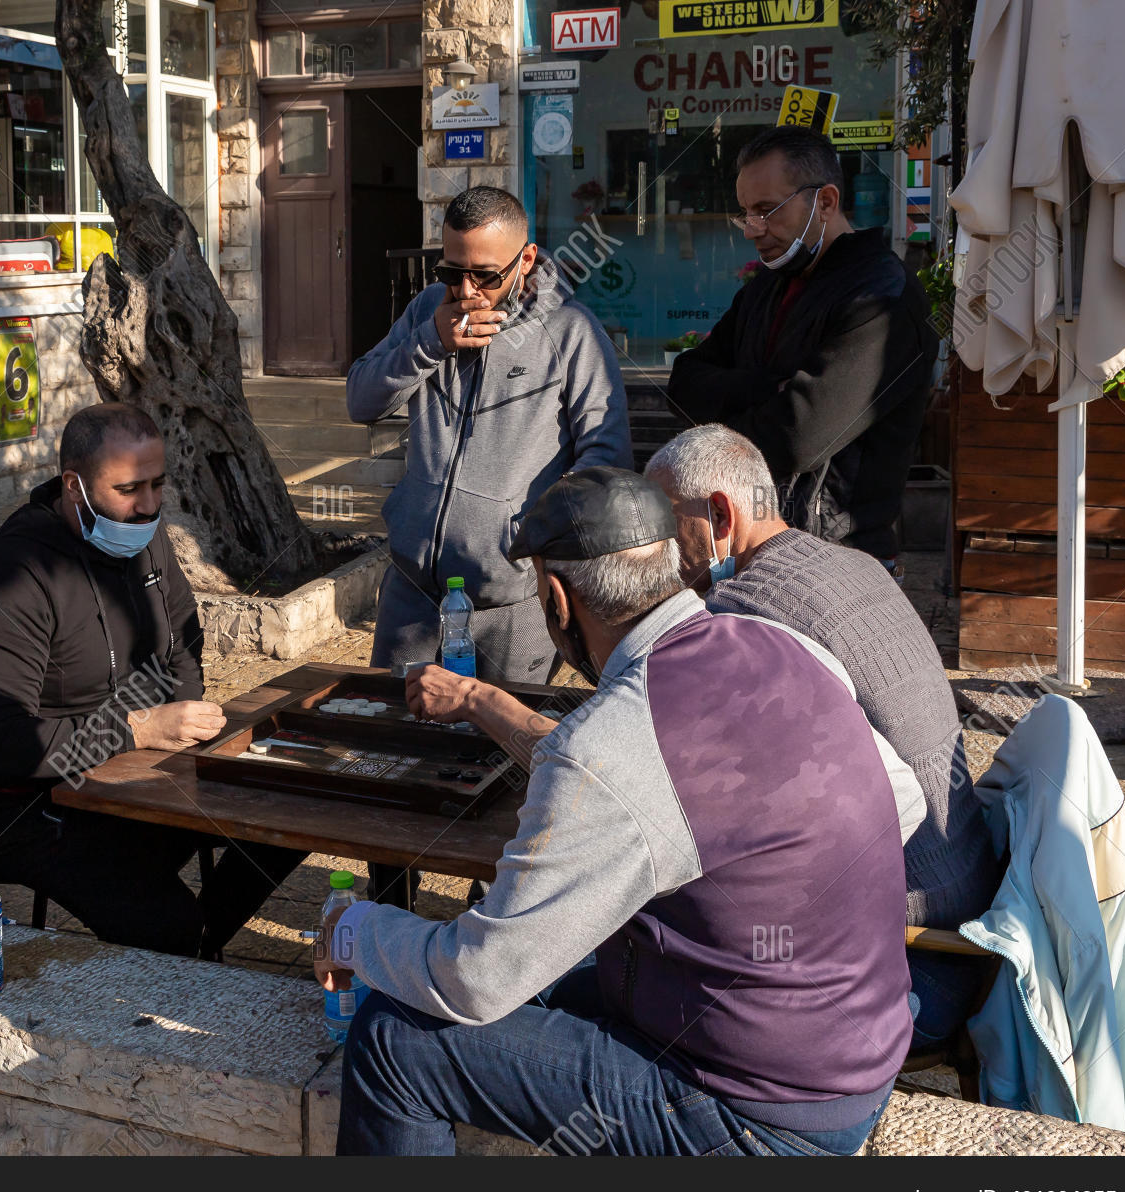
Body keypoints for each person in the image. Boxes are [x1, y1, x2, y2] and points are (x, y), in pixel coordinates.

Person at [318, 466, 924, 1155]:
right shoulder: (788, 647)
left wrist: (354, 928)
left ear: (556, 601)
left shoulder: (609, 743)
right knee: (550, 971)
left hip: (759, 1116)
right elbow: (897, 803)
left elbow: (478, 981)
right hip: (861, 1052)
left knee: (395, 1040)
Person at [644, 423, 1002, 1051]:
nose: (660, 547)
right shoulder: (855, 565)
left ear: (720, 515)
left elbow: (678, 790)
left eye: (666, 522)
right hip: (968, 899)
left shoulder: (745, 618)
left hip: (912, 964)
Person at [0, 403, 302, 958]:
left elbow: (183, 640)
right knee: (169, 928)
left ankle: (197, 947)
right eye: (129, 488)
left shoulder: (143, 533)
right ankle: (188, 948)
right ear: (75, 485)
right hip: (39, 809)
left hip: (141, 777)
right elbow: (3, 746)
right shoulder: (13, 576)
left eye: (158, 485)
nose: (148, 506)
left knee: (289, 813)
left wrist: (184, 722)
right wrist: (136, 727)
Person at [347, 185, 632, 683]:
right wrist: (428, 343)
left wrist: (536, 547)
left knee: (502, 751)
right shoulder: (426, 313)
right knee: (392, 738)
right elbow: (361, 400)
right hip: (412, 592)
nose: (466, 290)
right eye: (452, 272)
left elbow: (606, 460)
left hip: (512, 603)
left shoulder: (570, 332)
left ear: (526, 260)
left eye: (484, 275)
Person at [665, 126, 938, 570]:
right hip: (752, 551)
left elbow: (796, 438)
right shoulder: (768, 288)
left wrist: (733, 401)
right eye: (746, 214)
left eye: (767, 210)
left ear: (825, 202)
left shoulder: (884, 298)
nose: (754, 229)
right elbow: (683, 382)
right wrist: (767, 385)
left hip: (837, 560)